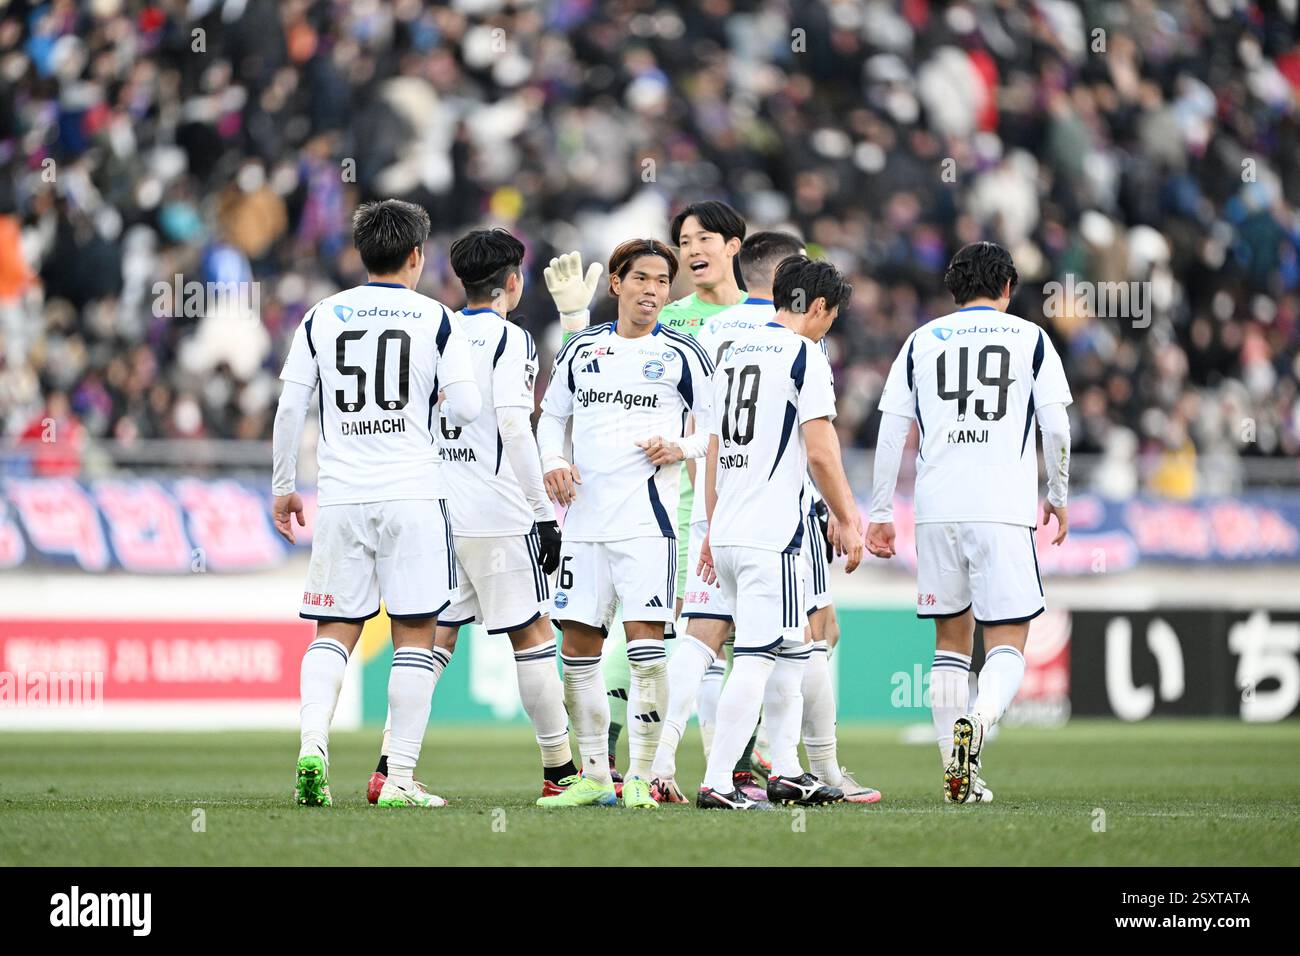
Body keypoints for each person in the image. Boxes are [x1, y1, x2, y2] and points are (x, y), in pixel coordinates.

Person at [272, 199, 480, 809]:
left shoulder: (321, 315)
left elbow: (290, 409)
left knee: (334, 628)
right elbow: (467, 409)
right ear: (417, 256)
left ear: (362, 255)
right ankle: (399, 779)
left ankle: (313, 749)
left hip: (340, 496)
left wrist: (284, 486)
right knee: (416, 631)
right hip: (413, 493)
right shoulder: (438, 319)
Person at [364, 227, 574, 803]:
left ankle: (391, 766)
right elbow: (514, 424)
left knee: (433, 640)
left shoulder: (438, 331)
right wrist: (543, 514)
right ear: (513, 282)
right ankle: (560, 772)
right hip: (498, 512)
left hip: (438, 509)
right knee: (531, 633)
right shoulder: (512, 339)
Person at [867, 241, 1072, 803]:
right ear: (1007, 288)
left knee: (950, 645)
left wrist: (881, 511)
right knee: (1007, 640)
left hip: (935, 509)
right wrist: (1057, 493)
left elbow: (891, 432)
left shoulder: (919, 342)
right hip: (1001, 509)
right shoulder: (1031, 340)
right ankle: (977, 725)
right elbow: (1055, 427)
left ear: (953, 292)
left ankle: (956, 775)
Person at [534, 238, 713, 809]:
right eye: (642, 279)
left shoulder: (684, 354)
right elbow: (551, 418)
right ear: (616, 283)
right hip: (584, 525)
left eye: (663, 281)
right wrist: (554, 461)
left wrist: (679, 446)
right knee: (579, 654)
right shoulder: (581, 349)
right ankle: (593, 775)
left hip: (647, 525)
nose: (654, 291)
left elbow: (716, 431)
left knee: (647, 653)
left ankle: (640, 775)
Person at [695, 255, 862, 809]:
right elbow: (821, 450)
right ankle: (717, 781)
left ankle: (787, 770)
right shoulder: (804, 355)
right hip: (774, 533)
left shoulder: (735, 352)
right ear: (815, 307)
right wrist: (848, 518)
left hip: (730, 529)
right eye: (829, 318)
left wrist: (710, 524)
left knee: (790, 648)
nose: (827, 328)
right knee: (758, 657)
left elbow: (714, 447)